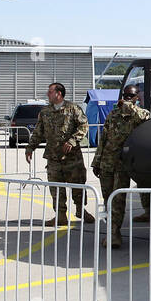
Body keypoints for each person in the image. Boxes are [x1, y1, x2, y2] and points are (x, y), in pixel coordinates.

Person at [92, 84, 151, 243]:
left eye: (130, 96)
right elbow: (104, 139)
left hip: (123, 164)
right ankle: (111, 229)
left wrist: (129, 106)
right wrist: (97, 161)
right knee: (108, 199)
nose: (127, 98)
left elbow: (143, 119)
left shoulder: (141, 114)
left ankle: (114, 234)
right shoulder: (113, 115)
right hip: (107, 162)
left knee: (118, 199)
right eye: (125, 95)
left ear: (136, 98)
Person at [25, 83, 95, 226]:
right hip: (53, 158)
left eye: (50, 91)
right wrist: (30, 147)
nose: (47, 94)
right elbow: (38, 132)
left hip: (72, 157)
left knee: (78, 186)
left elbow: (84, 126)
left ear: (59, 93)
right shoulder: (45, 112)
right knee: (56, 188)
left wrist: (72, 140)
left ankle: (81, 210)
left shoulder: (73, 108)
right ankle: (61, 215)